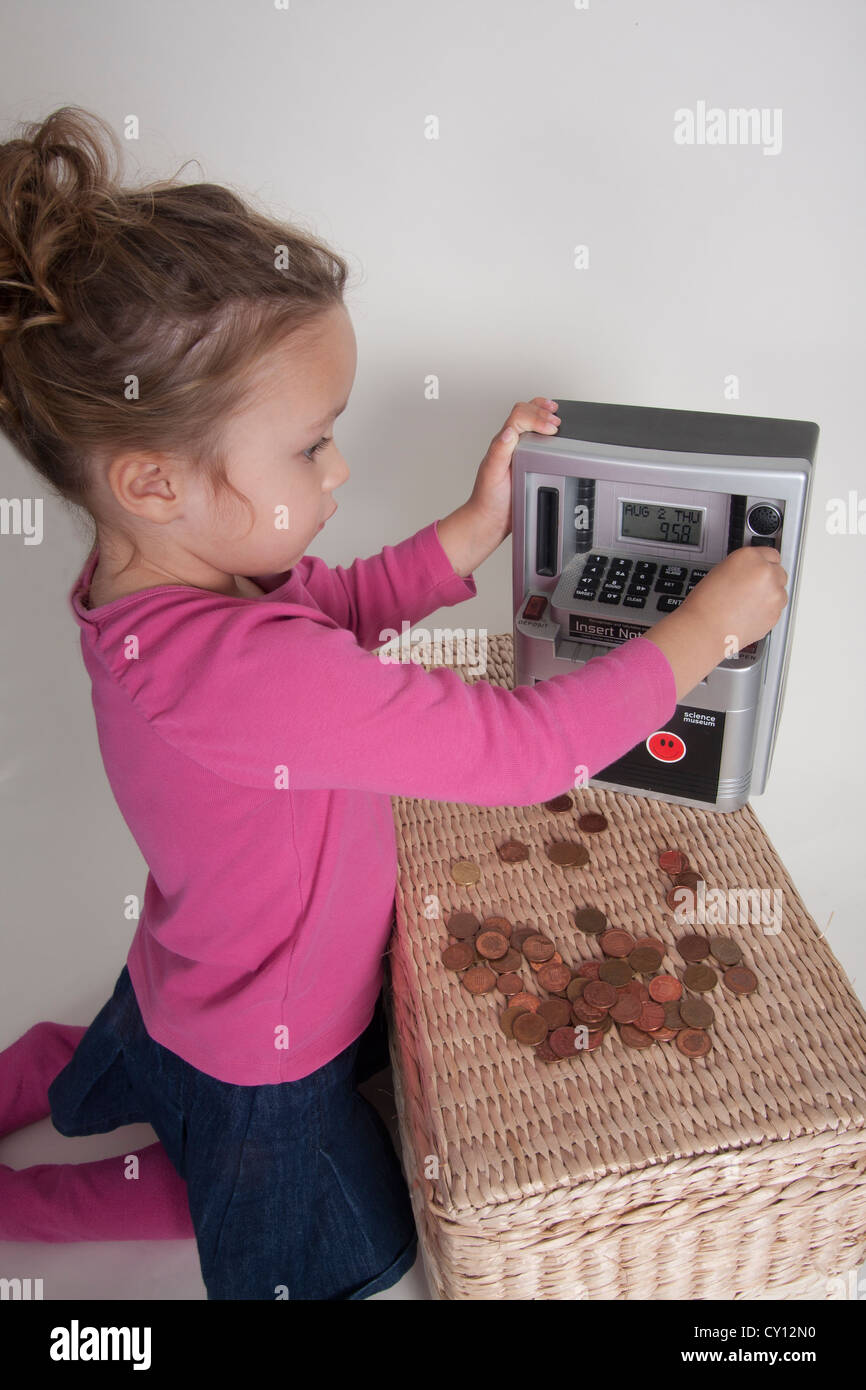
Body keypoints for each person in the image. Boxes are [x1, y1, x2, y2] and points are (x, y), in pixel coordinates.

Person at [0, 106, 788, 1299]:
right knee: (334, 1236)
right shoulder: (245, 668)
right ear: (153, 480)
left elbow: (345, 606)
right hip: (265, 1051)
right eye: (312, 447)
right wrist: (705, 632)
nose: (341, 471)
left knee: (118, 1068)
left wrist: (474, 524)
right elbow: (532, 750)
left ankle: (58, 1079)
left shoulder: (170, 598)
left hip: (179, 977)